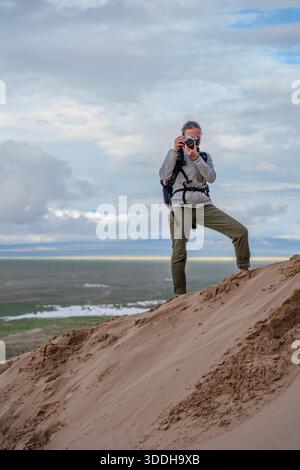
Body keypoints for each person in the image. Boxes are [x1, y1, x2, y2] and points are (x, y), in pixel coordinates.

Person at [159, 120, 251, 296]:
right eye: (190, 138)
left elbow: (211, 177)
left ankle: (244, 272)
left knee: (240, 231)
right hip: (181, 207)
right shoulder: (175, 155)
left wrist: (196, 157)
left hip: (204, 206)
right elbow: (164, 175)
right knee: (179, 252)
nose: (194, 141)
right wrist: (174, 151)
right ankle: (180, 296)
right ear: (182, 137)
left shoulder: (206, 157)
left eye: (197, 138)